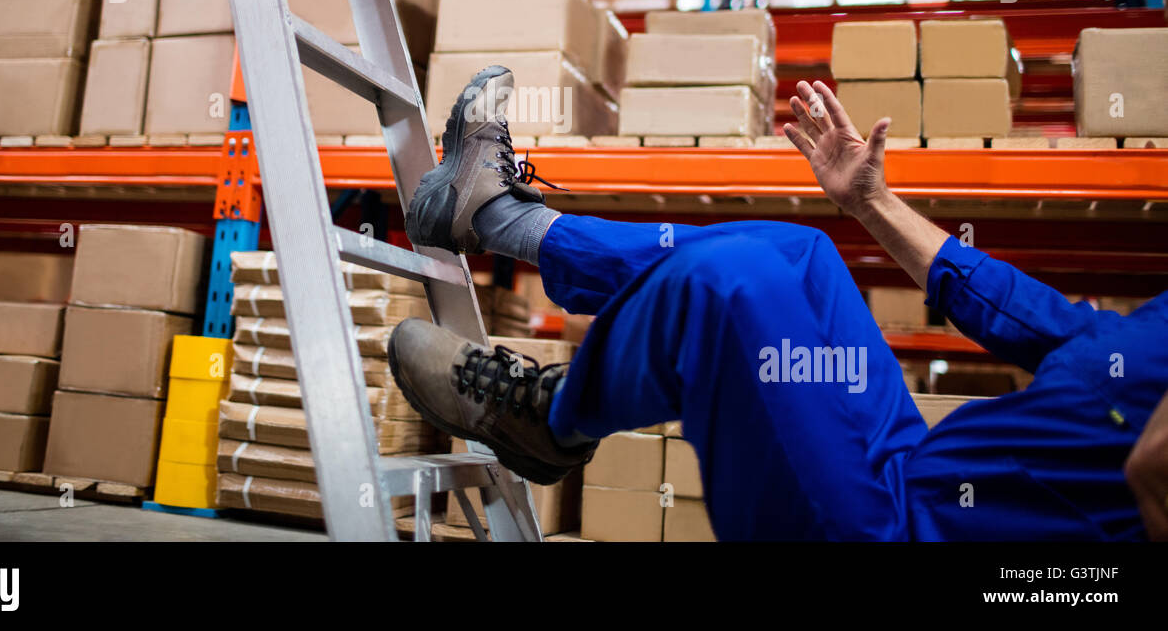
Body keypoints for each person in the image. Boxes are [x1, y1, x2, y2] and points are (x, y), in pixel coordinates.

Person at [386, 66, 1168, 540]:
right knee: (800, 255)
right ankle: (491, 217)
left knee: (734, 289)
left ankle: (548, 421)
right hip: (907, 466)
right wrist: (872, 203)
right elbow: (1060, 331)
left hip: (901, 532)